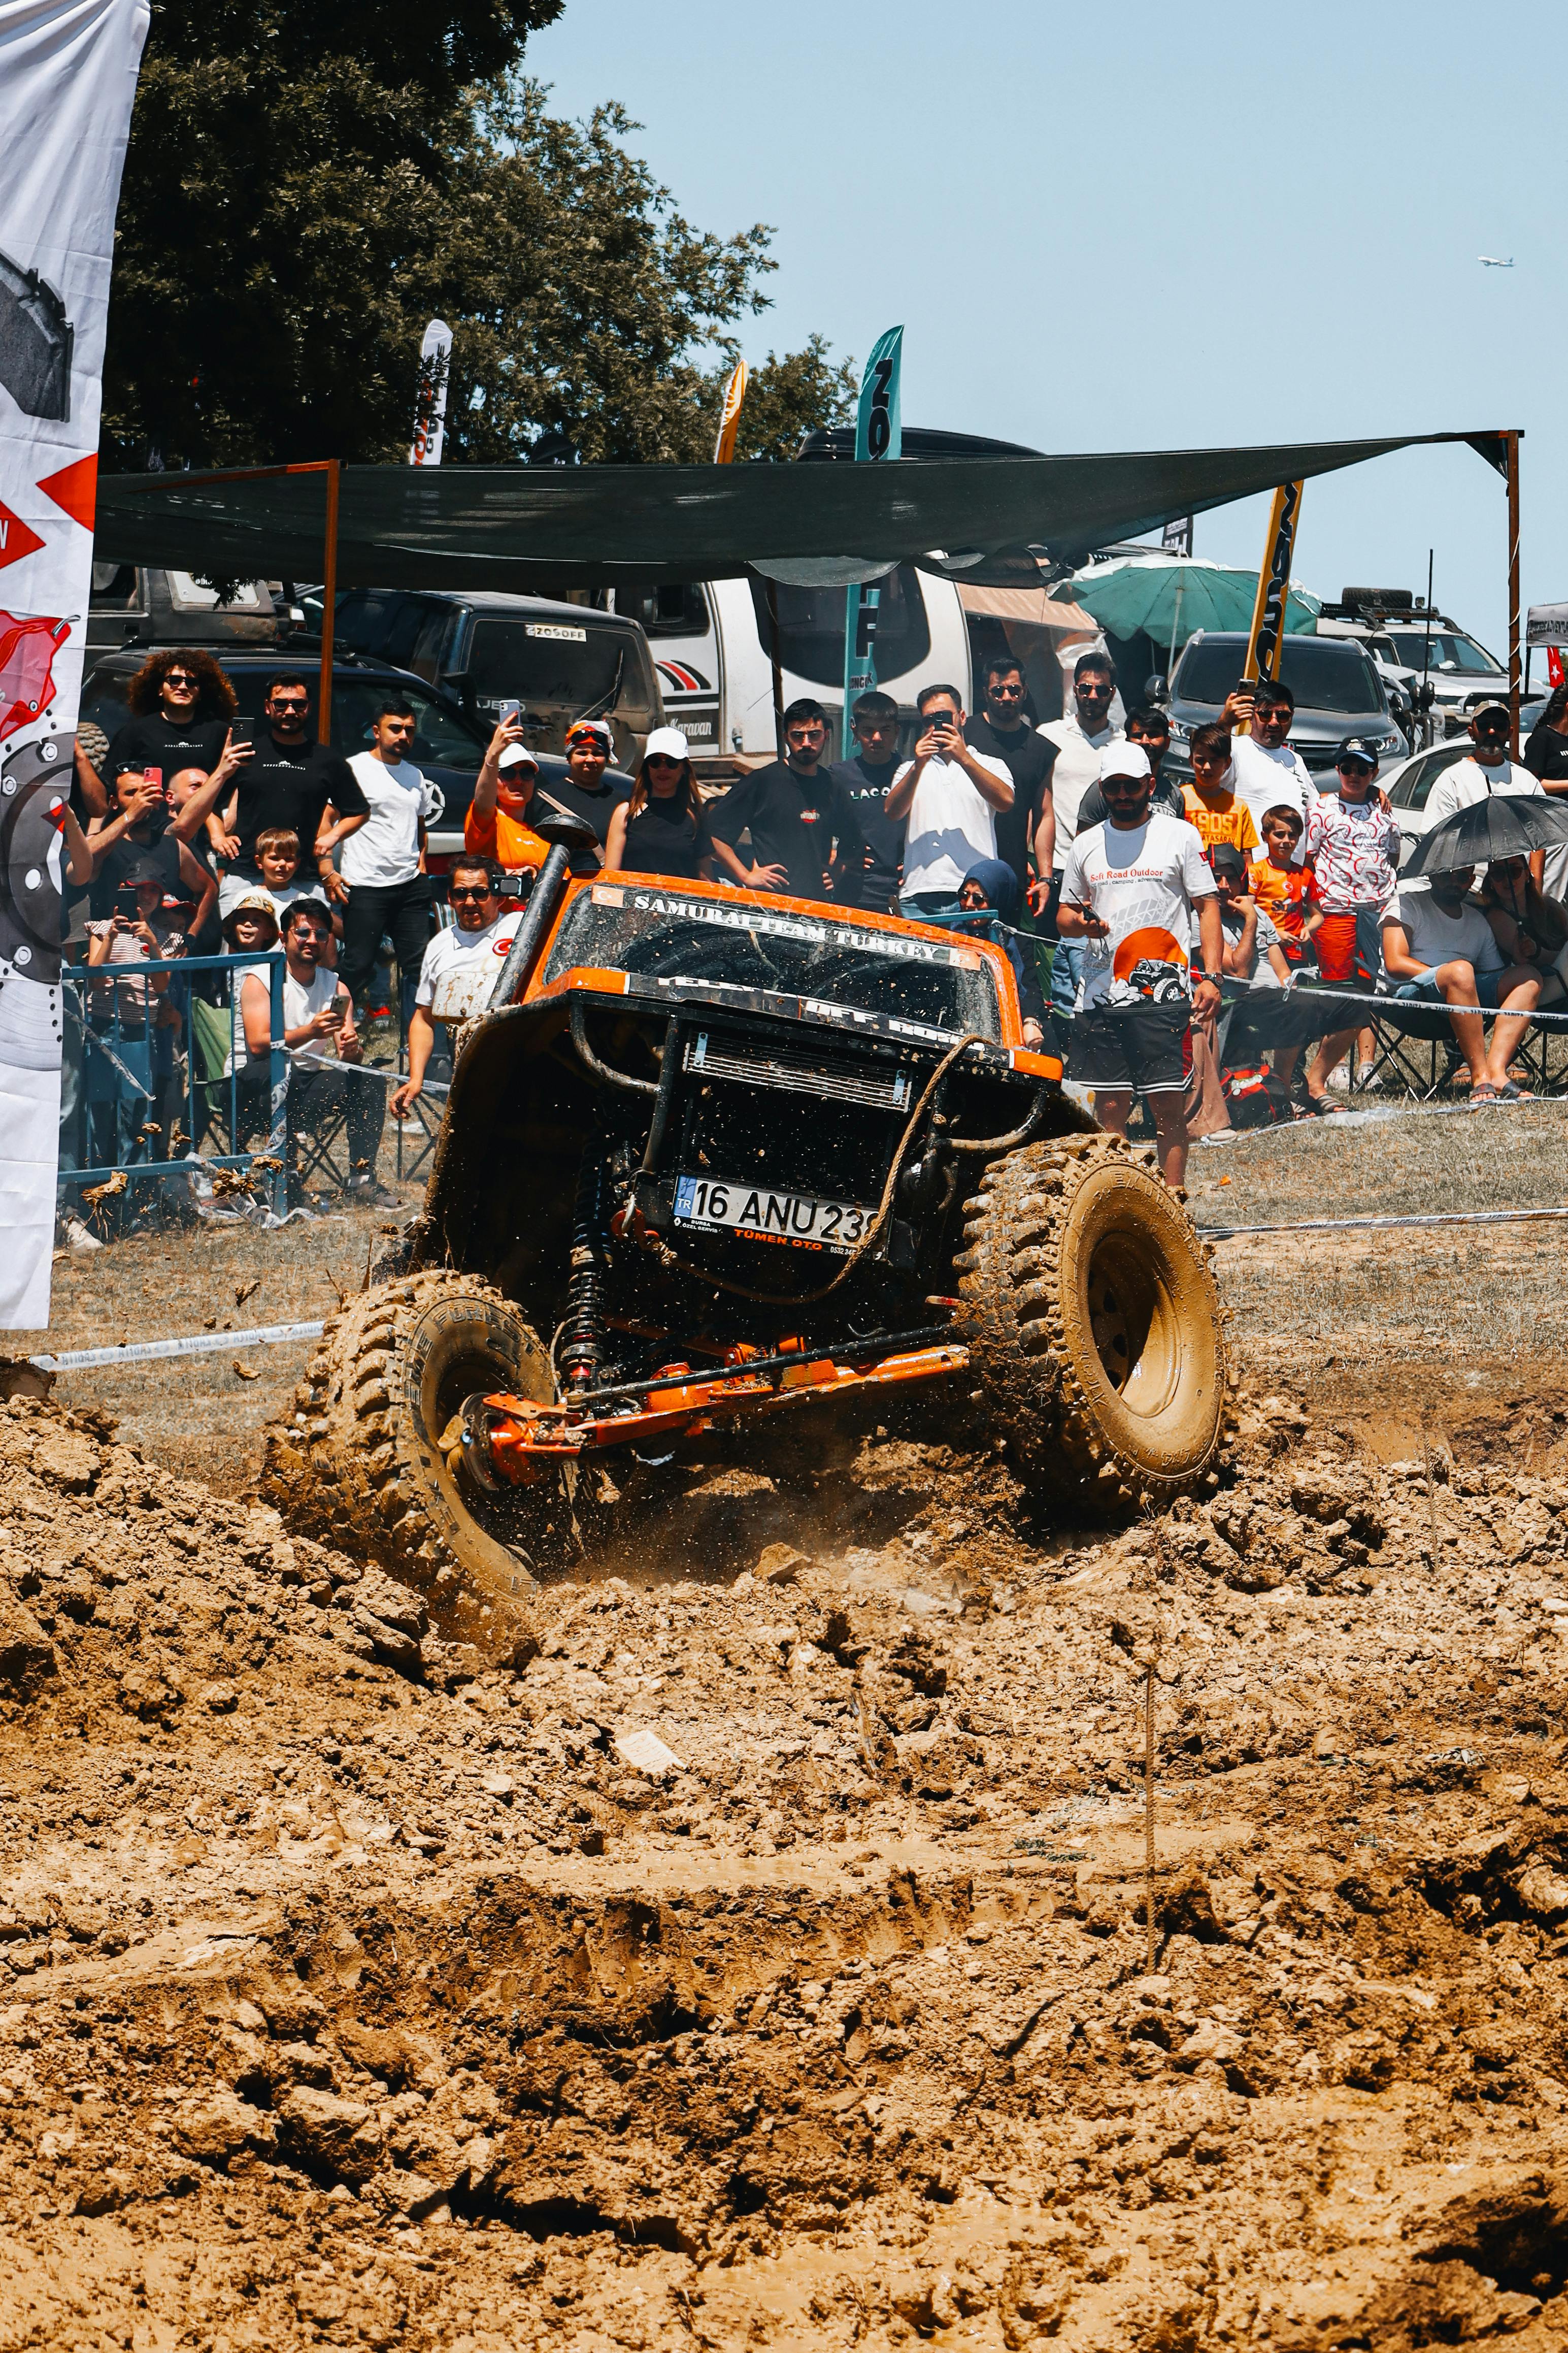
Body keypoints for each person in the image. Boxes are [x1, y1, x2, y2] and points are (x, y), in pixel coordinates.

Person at [1056, 742, 1222, 1185]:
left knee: (1167, 1110)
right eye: (1115, 787)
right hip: (1099, 996)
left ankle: (1174, 1206)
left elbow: (1207, 905)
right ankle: (1116, 1200)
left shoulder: (1180, 835)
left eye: (1133, 785)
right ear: (1102, 789)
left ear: (1150, 784)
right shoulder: (1086, 844)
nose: (1124, 794)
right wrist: (1083, 925)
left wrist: (1211, 976)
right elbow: (1064, 916)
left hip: (1160, 994)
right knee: (1109, 1111)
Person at [1381, 865, 1541, 1105]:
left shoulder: (1477, 920)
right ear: (1432, 874)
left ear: (1471, 881)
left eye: (1462, 877)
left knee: (1527, 977)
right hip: (1409, 998)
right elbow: (1395, 962)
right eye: (1446, 874)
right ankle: (1479, 1076)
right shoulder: (1405, 905)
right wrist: (1450, 978)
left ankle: (1497, 1071)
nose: (1454, 881)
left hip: (1464, 994)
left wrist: (1519, 956)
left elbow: (1494, 974)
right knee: (1462, 971)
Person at [1300, 737, 1403, 1109]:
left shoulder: (1383, 808)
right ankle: (1335, 1064)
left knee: (1370, 986)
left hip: (1376, 910)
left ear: (1373, 772)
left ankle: (1367, 1063)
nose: (1354, 775)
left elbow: (1392, 854)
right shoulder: (1323, 808)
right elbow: (1308, 860)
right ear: (1338, 770)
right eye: (1347, 768)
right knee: (1339, 990)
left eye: (1362, 769)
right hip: (1335, 910)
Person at [330, 696, 439, 1030]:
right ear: (376, 731)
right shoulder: (354, 768)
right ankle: (330, 1030)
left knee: (419, 967)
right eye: (395, 728)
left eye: (409, 729)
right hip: (364, 885)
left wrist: (421, 868)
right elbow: (327, 818)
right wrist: (327, 871)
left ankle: (417, 1043)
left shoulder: (415, 775)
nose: (403, 736)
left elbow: (420, 830)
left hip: (409, 886)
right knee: (357, 964)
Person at [272, 898, 390, 1202]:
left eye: (321, 934)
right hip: (264, 1082)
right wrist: (310, 1032)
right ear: (283, 936)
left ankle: (361, 1178)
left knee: (370, 1079)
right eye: (303, 932)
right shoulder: (266, 979)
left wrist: (352, 1049)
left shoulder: (337, 987)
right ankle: (286, 1171)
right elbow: (259, 1045)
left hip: (307, 1084)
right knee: (282, 1075)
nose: (312, 940)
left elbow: (348, 1055)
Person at [207, 674, 369, 889]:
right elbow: (209, 801)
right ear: (268, 707)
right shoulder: (246, 753)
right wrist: (218, 837)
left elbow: (359, 811)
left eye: (298, 704)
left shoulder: (328, 760)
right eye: (281, 704)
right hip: (246, 875)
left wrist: (332, 837)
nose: (290, 711)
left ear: (309, 707)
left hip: (304, 878)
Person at [390, 857, 520, 1119]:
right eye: (461, 893)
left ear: (499, 896)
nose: (470, 902)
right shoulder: (439, 946)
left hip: (520, 1051)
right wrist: (417, 1079)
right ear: (450, 899)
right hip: (466, 1060)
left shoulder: (522, 926)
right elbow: (423, 1019)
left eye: (481, 893)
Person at [709, 699, 868, 900]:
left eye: (814, 735)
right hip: (771, 907)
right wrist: (746, 876)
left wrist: (836, 874)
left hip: (818, 907)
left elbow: (853, 841)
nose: (806, 743)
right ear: (786, 738)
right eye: (798, 736)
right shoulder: (763, 781)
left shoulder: (832, 786)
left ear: (826, 736)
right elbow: (714, 834)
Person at [1036, 652, 1123, 1014]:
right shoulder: (1048, 735)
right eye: (1085, 688)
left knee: (1095, 954)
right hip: (1055, 865)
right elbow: (1039, 804)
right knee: (1047, 958)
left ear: (1111, 694)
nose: (1091, 696)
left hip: (1103, 871)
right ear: (1075, 690)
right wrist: (1039, 869)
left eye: (1100, 691)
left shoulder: (1123, 745)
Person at [884, 683, 1012, 916]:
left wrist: (964, 758)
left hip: (974, 894)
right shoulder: (909, 770)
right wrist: (919, 765)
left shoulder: (990, 764)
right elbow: (892, 812)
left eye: (943, 717)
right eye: (929, 720)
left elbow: (1005, 802)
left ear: (962, 717)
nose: (937, 726)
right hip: (918, 894)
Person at [1422, 702, 1550, 887]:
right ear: (1471, 732)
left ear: (1510, 733)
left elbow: (1539, 840)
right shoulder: (1451, 780)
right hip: (1470, 892)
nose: (1491, 732)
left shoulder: (1526, 781)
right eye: (1483, 725)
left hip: (1516, 890)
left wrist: (1535, 891)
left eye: (1499, 726)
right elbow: (1436, 842)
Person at [963, 655, 1056, 905]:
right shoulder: (965, 736)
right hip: (963, 869)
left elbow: (1044, 814)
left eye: (1014, 690)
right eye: (998, 691)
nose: (1007, 698)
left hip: (1010, 872)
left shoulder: (1041, 749)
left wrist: (1046, 877)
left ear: (1025, 692)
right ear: (986, 693)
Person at [606, 730, 749, 884]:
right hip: (631, 906)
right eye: (655, 762)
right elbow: (610, 880)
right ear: (647, 768)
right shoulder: (626, 813)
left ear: (684, 769)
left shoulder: (695, 818)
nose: (663, 768)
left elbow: (705, 880)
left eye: (672, 763)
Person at [87, 765, 221, 927]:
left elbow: (209, 889)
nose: (141, 799)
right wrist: (132, 816)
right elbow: (83, 863)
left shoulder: (172, 846)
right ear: (114, 802)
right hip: (114, 947)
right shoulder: (105, 845)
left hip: (162, 949)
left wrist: (190, 937)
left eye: (148, 791)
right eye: (131, 793)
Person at [104, 647, 240, 795]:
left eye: (192, 682)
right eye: (174, 681)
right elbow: (110, 785)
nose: (183, 687)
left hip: (207, 816)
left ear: (201, 692)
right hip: (151, 816)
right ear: (160, 689)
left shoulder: (221, 732)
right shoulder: (135, 732)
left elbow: (236, 787)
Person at [955, 860, 1046, 1047]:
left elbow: (1030, 987)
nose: (969, 904)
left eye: (979, 899)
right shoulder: (950, 935)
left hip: (1003, 1029)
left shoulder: (1017, 942)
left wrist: (1030, 1022)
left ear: (999, 898)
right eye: (964, 895)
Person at [830, 691, 907, 912]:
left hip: (905, 893)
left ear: (897, 731)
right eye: (868, 730)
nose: (877, 738)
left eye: (885, 730)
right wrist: (834, 857)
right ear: (854, 729)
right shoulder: (838, 775)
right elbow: (815, 822)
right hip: (855, 893)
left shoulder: (911, 772)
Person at [1218, 679, 1315, 846]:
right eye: (1265, 714)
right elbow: (1208, 756)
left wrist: (1368, 793)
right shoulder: (1235, 748)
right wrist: (1224, 724)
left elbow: (1316, 808)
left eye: (1282, 716)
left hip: (1293, 870)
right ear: (1251, 716)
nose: (1274, 722)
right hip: (1250, 868)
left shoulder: (1295, 760)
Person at [1074, 706, 1185, 833]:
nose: (1145, 741)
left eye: (1153, 735)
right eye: (1138, 735)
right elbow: (1085, 844)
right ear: (1127, 742)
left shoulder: (1175, 795)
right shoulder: (1108, 789)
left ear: (1167, 743)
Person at [1247, 805, 1322, 967]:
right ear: (1265, 836)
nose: (1286, 841)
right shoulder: (1256, 872)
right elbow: (1247, 912)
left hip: (1296, 953)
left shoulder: (1305, 874)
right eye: (1279, 835)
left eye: (1292, 835)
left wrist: (1308, 931)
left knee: (1295, 991)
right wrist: (1275, 934)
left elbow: (1318, 916)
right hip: (1264, 949)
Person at [543, 718, 630, 848]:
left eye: (597, 753)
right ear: (569, 758)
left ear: (607, 759)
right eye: (582, 753)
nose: (590, 759)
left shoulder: (621, 804)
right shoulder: (544, 797)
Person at [1182, 725, 1261, 864]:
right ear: (1191, 761)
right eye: (1201, 760)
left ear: (1227, 763)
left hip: (1228, 882)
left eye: (1215, 761)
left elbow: (1247, 855)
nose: (1207, 767)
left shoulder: (1239, 807)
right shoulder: (1181, 798)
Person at [218, 826, 310, 922]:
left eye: (289, 859)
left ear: (297, 864)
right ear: (259, 861)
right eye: (275, 858)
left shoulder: (302, 900)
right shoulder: (246, 897)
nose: (282, 864)